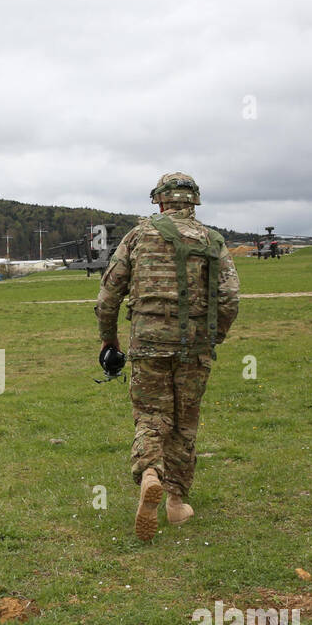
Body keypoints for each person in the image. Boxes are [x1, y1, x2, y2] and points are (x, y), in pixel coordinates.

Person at [95, 172, 240, 541]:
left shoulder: (138, 236)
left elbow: (108, 296)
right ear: (194, 203)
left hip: (148, 345)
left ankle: (149, 475)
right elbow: (229, 299)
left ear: (160, 202)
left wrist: (109, 340)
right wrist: (214, 337)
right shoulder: (213, 240)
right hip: (196, 347)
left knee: (150, 416)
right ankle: (176, 503)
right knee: (184, 422)